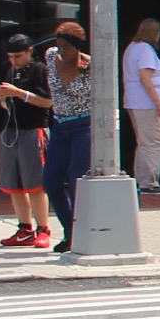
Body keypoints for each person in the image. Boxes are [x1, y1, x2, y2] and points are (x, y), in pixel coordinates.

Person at [0, 29, 55, 248]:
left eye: (18, 56)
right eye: (10, 57)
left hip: (33, 129)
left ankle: (43, 228)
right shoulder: (9, 71)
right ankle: (24, 228)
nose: (14, 61)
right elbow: (8, 104)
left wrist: (20, 93)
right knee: (13, 184)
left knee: (35, 184)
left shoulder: (40, 70)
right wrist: (3, 97)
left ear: (29, 52)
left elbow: (47, 102)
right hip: (11, 129)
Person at [42, 21, 94, 251]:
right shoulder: (51, 56)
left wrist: (85, 71)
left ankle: (81, 234)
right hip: (60, 124)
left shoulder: (87, 65)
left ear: (77, 47)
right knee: (51, 181)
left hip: (83, 125)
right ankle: (69, 230)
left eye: (66, 47)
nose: (61, 50)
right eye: (59, 44)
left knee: (76, 183)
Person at [122, 17, 160, 194]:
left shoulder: (133, 48)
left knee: (144, 143)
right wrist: (158, 102)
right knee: (154, 142)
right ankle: (149, 183)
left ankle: (140, 180)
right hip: (147, 104)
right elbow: (145, 77)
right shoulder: (145, 49)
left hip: (137, 102)